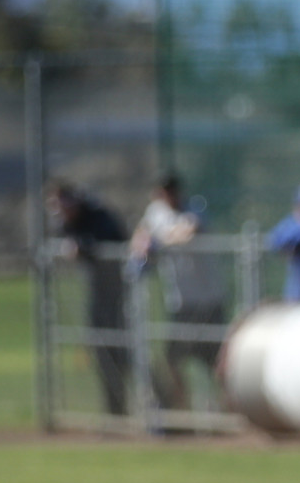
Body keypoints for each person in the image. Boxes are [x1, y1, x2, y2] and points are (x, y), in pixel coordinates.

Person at [130, 173, 223, 411]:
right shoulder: (156, 212)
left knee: (217, 361)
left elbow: (187, 231)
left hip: (207, 299)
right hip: (180, 302)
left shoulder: (194, 209)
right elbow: (140, 235)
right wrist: (143, 244)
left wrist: (159, 241)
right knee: (173, 359)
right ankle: (183, 410)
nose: (166, 198)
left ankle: (226, 409)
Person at [47, 181, 131, 416]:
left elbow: (106, 240)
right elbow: (63, 236)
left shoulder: (97, 215)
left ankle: (161, 409)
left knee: (129, 356)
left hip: (119, 295)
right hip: (97, 297)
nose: (60, 213)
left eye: (62, 204)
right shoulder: (67, 224)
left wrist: (83, 248)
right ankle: (116, 412)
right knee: (104, 356)